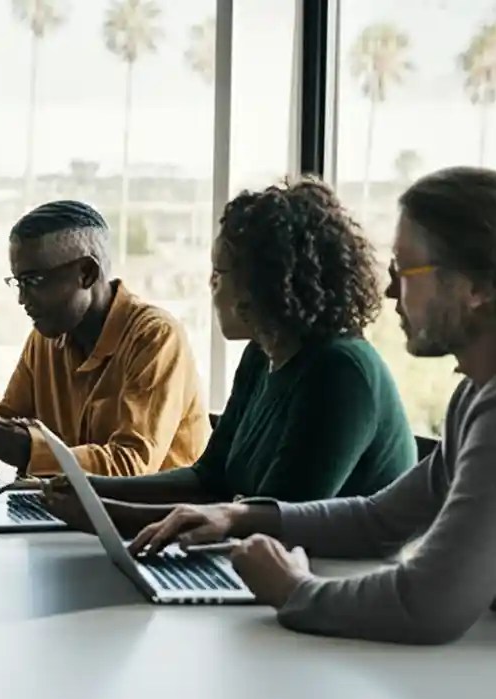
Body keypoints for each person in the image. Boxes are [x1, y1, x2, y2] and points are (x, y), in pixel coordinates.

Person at [112, 167, 496, 645]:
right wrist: (242, 517)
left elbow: (427, 604)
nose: (391, 290)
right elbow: (380, 520)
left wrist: (294, 590)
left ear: (477, 287)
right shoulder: (475, 395)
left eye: (406, 270)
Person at [39, 180, 415, 530]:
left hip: (331, 578)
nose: (210, 285)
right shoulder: (260, 355)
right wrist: (87, 487)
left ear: (267, 285)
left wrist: (103, 514)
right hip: (274, 566)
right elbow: (209, 478)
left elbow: (272, 519)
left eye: (219, 272)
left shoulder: (340, 373)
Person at [0, 200, 209, 475]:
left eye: (33, 281)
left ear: (87, 273)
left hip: (153, 531)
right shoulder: (47, 336)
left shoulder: (155, 338)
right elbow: (5, 417)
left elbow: (131, 464)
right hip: (73, 516)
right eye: (17, 282)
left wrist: (26, 449)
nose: (21, 299)